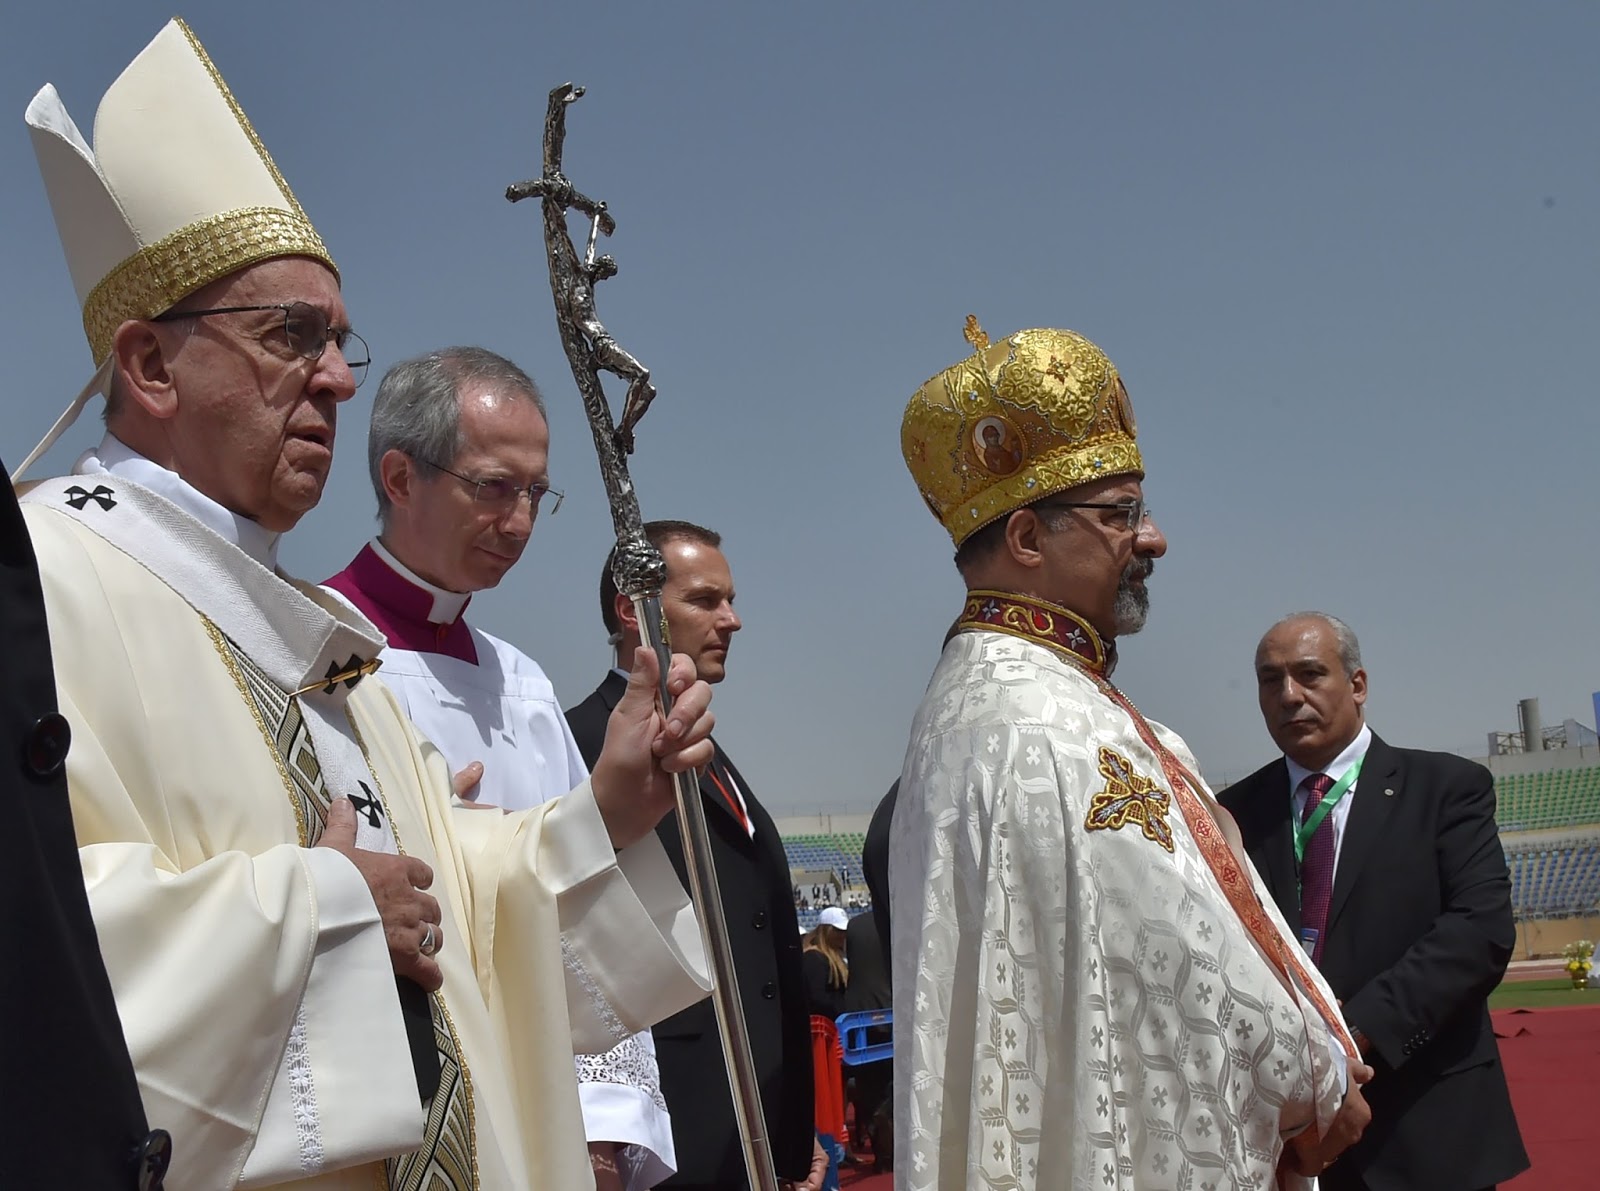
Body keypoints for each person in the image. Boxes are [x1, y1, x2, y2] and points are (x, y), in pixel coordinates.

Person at [19, 20, 714, 1190]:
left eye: (339, 341)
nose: (340, 379)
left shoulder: (317, 642)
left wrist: (605, 808)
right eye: (290, 337)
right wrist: (322, 918)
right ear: (148, 365)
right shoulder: (39, 583)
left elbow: (451, 899)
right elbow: (38, 952)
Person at [890, 320, 1372, 1189]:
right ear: (1028, 537)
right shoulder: (1044, 723)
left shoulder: (997, 698)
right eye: (1122, 514)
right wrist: (1321, 1080)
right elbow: (1183, 962)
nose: (1153, 539)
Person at [322, 347, 676, 1191]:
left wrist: (604, 1127)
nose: (519, 522)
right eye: (493, 487)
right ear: (400, 478)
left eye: (536, 493)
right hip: (398, 1096)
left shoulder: (521, 681)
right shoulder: (315, 650)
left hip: (542, 1102)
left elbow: (582, 905)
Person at [1220, 613, 1529, 1190]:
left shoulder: (1445, 788)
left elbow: (1478, 933)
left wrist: (1351, 1035)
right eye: (1270, 680)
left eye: (1310, 674)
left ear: (1357, 684)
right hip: (1290, 1141)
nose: (1289, 696)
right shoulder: (1230, 814)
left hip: (1427, 1129)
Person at [567, 521, 824, 1190]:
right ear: (633, 609)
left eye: (729, 599)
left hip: (749, 1122)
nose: (731, 619)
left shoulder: (713, 754)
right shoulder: (580, 744)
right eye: (705, 600)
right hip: (670, 1127)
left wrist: (790, 1125)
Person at [3, 459, 170, 1191]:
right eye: (486, 485)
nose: (334, 399)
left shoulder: (317, 626)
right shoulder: (49, 548)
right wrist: (322, 905)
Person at [802, 906, 850, 1021]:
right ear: (826, 931)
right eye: (838, 931)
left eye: (845, 931)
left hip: (838, 1021)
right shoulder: (814, 957)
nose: (843, 935)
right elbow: (818, 998)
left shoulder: (836, 956)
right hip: (827, 1023)